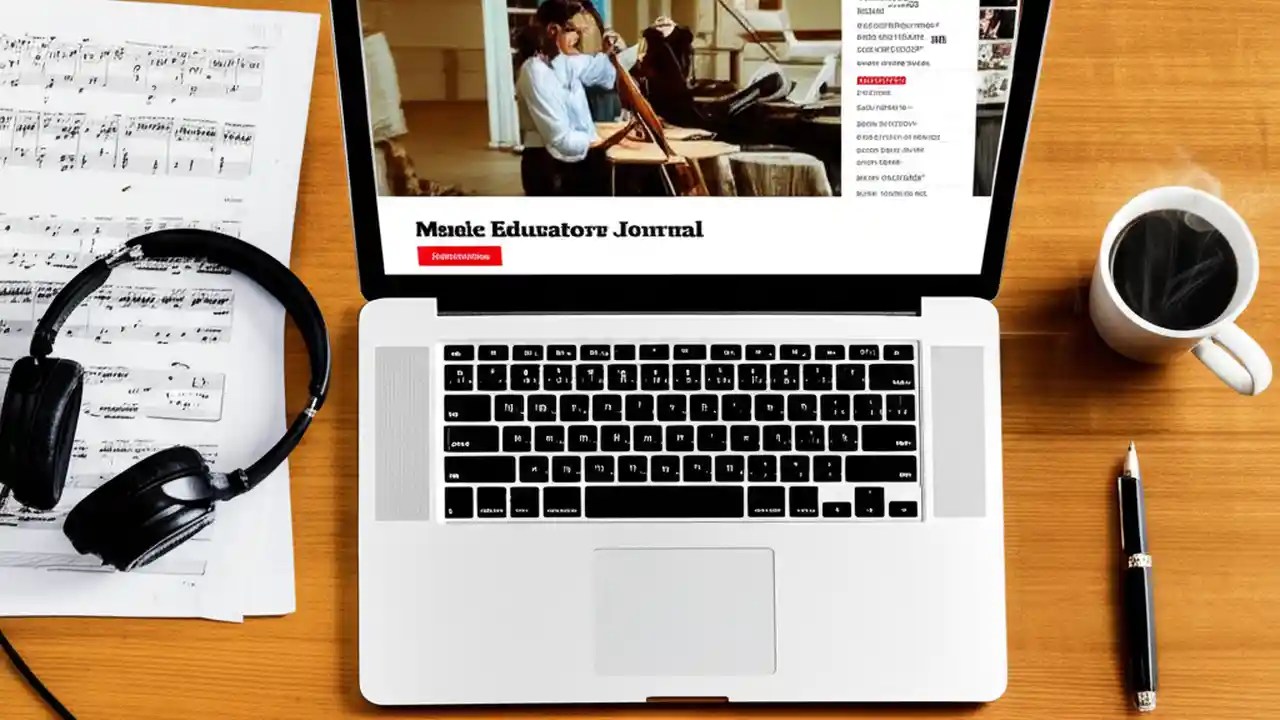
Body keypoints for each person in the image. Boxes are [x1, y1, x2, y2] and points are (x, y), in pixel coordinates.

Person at [515, 0, 639, 196]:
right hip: (551, 168)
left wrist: (642, 47)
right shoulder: (535, 71)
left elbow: (601, 69)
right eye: (571, 30)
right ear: (553, 30)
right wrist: (601, 141)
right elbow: (559, 139)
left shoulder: (563, 62)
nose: (578, 37)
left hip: (573, 161)